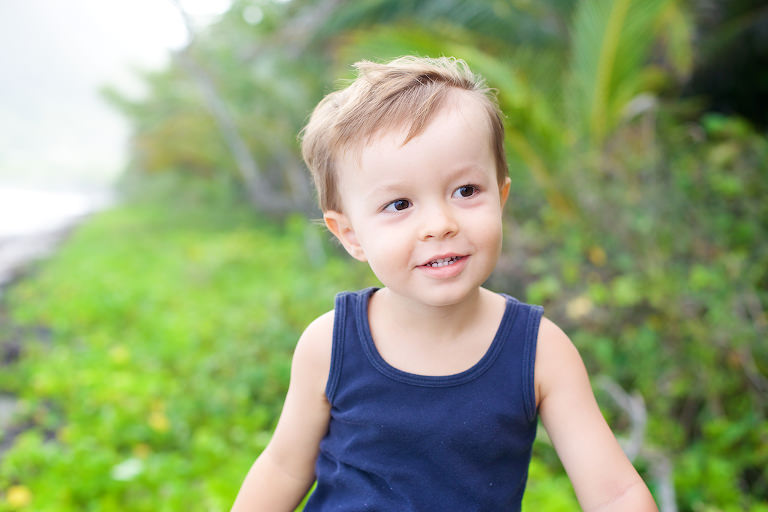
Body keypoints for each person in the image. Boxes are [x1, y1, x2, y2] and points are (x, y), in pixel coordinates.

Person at [231, 56, 658, 511]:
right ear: (350, 234)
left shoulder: (539, 352)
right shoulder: (331, 343)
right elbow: (283, 468)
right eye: (399, 204)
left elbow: (615, 493)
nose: (439, 224)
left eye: (466, 191)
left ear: (501, 196)